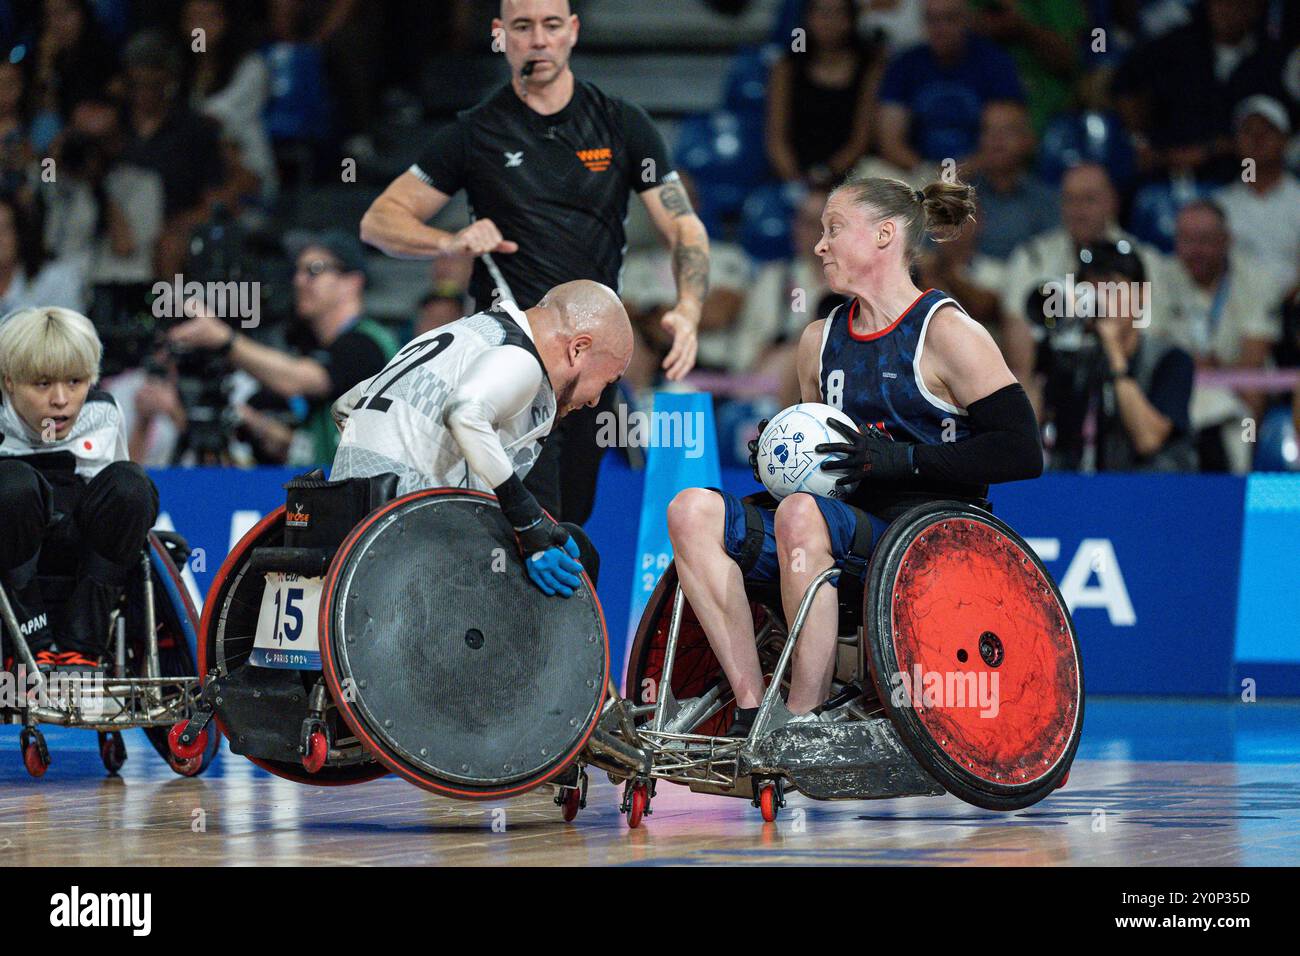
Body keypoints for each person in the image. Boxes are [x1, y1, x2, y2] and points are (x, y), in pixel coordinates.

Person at [667, 176, 1042, 735]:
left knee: (800, 515)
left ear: (885, 235)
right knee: (691, 510)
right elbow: (817, 470)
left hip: (921, 535)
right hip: (834, 524)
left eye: (834, 230)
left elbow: (1021, 451)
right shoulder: (818, 339)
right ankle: (751, 709)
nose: (820, 246)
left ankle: (803, 716)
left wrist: (901, 460)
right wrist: (779, 455)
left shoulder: (946, 331)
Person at [358, 0, 710, 525]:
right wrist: (449, 240)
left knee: (572, 520)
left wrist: (689, 307)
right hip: (512, 358)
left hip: (590, 365)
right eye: (523, 27)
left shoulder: (620, 123)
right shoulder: (476, 131)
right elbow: (378, 220)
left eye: (550, 26)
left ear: (572, 31)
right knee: (528, 521)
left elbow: (683, 224)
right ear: (501, 36)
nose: (538, 40)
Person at [330, 279, 633, 597]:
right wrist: (526, 519)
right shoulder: (521, 358)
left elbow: (346, 406)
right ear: (578, 348)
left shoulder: (465, 333)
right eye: (607, 381)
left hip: (346, 529)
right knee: (574, 548)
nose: (596, 401)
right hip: (399, 547)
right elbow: (465, 413)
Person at [0, 307, 158, 673]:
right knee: (12, 486)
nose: (60, 399)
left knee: (131, 485)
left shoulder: (103, 412)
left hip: (81, 552)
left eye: (75, 382)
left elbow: (122, 504)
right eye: (42, 384)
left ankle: (80, 645)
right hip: (12, 544)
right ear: (9, 381)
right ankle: (31, 642)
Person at [1038, 241, 1197, 472]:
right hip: (1080, 492)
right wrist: (1042, 352)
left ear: (1141, 295)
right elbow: (1028, 433)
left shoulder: (1172, 359)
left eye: (1111, 287)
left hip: (1152, 492)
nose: (1100, 300)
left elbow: (1149, 439)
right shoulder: (1070, 356)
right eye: (1090, 289)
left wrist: (1113, 349)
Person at [876, 0, 1024, 173]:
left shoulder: (995, 63)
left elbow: (1008, 135)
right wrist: (931, 172)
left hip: (982, 173)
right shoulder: (904, 65)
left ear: (967, 19)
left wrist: (956, 173)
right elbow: (890, 141)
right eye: (932, 19)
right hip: (918, 173)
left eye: (950, 18)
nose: (941, 28)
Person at [766, 0, 882, 188]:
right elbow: (776, 139)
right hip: (794, 172)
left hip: (852, 173)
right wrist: (795, 180)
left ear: (852, 19)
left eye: (839, 13)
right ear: (807, 19)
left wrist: (826, 173)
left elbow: (861, 140)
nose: (830, 21)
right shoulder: (786, 67)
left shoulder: (871, 67)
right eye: (822, 13)